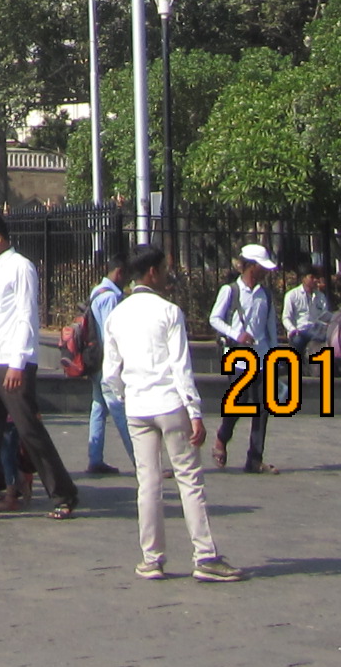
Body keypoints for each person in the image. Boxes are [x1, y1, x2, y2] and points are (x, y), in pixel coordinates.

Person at [102, 245, 242, 582]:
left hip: (138, 406)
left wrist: (125, 396)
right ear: (152, 272)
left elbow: (110, 372)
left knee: (147, 482)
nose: (167, 275)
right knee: (189, 479)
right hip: (169, 402)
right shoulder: (169, 311)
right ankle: (205, 555)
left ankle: (152, 558)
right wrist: (195, 411)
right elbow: (181, 367)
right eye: (164, 269)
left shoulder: (117, 314)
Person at [0, 211, 78, 520]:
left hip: (12, 362)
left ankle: (63, 493)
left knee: (28, 429)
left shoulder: (21, 268)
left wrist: (18, 363)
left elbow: (25, 316)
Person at [207, 244, 278, 474]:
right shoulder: (230, 291)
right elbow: (215, 319)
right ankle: (222, 438)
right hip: (237, 358)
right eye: (260, 267)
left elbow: (270, 328)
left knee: (262, 408)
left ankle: (255, 458)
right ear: (250, 267)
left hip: (261, 356)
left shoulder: (265, 294)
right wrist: (236, 334)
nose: (264, 272)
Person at [78, 255, 133, 476]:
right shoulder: (110, 297)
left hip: (95, 358)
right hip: (105, 362)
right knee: (118, 409)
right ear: (119, 272)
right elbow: (111, 333)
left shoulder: (97, 291)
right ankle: (140, 460)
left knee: (98, 407)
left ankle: (95, 457)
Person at [281, 260, 333, 358]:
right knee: (297, 342)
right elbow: (286, 317)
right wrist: (292, 330)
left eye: (316, 278)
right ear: (303, 278)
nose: (315, 280)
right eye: (311, 277)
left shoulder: (320, 296)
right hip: (301, 330)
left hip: (317, 330)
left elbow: (325, 314)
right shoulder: (292, 295)